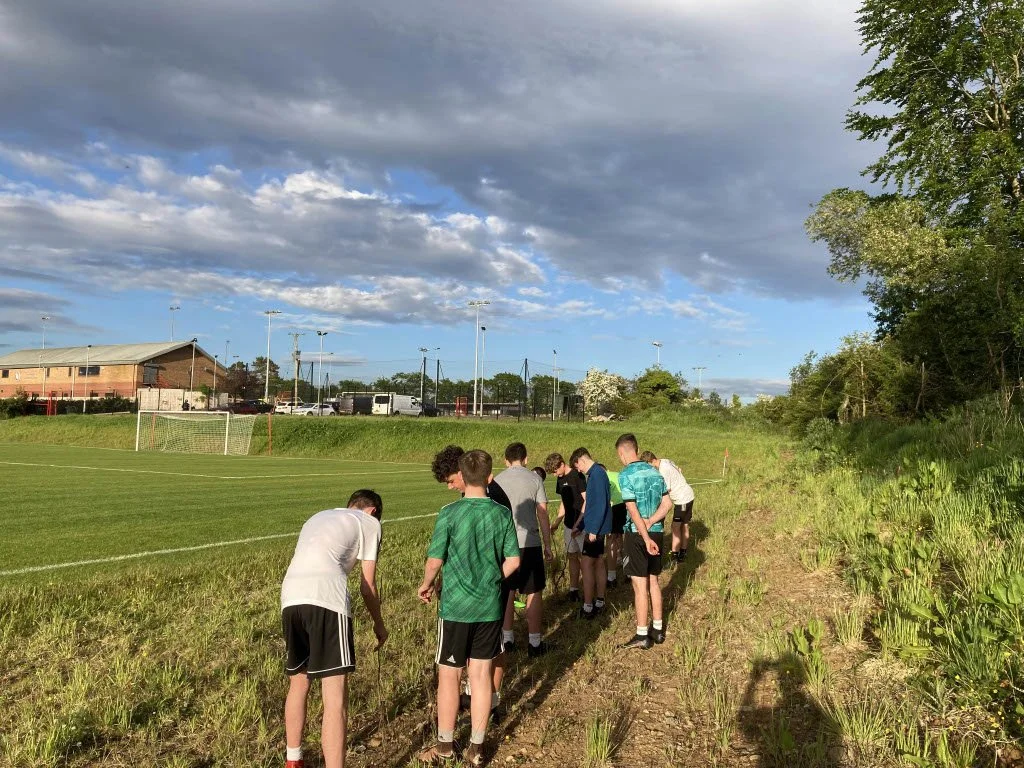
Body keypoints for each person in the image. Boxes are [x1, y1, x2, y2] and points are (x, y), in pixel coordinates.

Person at [417, 450, 521, 766]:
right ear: (489, 476)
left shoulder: (449, 513)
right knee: (480, 676)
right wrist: (492, 580)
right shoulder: (501, 514)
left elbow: (436, 559)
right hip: (488, 608)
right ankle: (477, 748)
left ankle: (445, 748)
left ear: (462, 473)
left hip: (455, 609)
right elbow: (514, 560)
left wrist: (427, 582)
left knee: (449, 677)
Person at [280, 490, 388, 768]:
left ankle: (293, 760)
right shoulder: (370, 523)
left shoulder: (319, 516)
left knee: (299, 682)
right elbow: (367, 585)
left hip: (290, 597)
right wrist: (379, 624)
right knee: (335, 696)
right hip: (327, 599)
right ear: (372, 511)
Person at [430, 444, 514, 717]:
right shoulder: (476, 499)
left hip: (489, 586)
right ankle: (477, 701)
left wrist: (487, 576)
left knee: (492, 652)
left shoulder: (495, 502)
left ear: (463, 474)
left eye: (451, 481)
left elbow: (497, 554)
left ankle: (491, 703)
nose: (449, 487)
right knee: (479, 661)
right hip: (479, 585)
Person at [615, 434, 674, 650]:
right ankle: (657, 630)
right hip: (657, 531)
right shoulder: (655, 472)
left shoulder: (626, 475)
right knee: (654, 581)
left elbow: (632, 509)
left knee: (639, 585)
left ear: (622, 453)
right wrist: (651, 522)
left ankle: (641, 634)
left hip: (637, 535)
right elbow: (667, 504)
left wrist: (645, 535)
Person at [495, 442, 553, 657]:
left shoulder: (498, 480)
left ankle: (507, 638)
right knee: (534, 590)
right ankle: (534, 643)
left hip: (504, 544)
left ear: (506, 460)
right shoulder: (535, 478)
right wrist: (547, 544)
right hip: (530, 542)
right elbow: (543, 514)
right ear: (526, 459)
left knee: (508, 590)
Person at [569, 448, 611, 619]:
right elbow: (592, 505)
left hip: (596, 530)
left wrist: (592, 530)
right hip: (595, 526)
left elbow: (600, 504)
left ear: (582, 460)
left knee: (587, 565)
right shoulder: (595, 475)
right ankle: (599, 601)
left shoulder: (597, 475)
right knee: (599, 562)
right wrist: (581, 525)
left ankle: (588, 607)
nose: (578, 470)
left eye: (577, 466)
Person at [544, 452, 587, 602]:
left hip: (581, 525)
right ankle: (573, 590)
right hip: (568, 525)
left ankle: (589, 592)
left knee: (585, 559)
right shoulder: (560, 480)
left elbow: (586, 500)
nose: (555, 475)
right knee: (572, 557)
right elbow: (564, 502)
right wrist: (556, 522)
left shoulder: (577, 476)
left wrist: (579, 524)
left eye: (555, 471)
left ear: (562, 464)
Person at [639, 450, 695, 563]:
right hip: (687, 495)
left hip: (682, 499)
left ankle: (675, 555)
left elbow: (666, 490)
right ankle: (682, 552)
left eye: (647, 466)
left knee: (676, 527)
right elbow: (679, 468)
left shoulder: (663, 471)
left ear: (651, 462)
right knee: (683, 525)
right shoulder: (664, 461)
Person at [605, 466, 626, 589]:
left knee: (611, 539)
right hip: (628, 504)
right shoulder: (616, 473)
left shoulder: (604, 477)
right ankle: (627, 569)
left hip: (616, 506)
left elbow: (605, 498)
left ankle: (611, 577)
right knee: (623, 535)